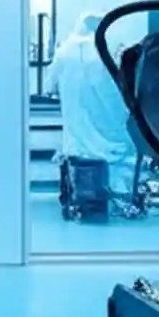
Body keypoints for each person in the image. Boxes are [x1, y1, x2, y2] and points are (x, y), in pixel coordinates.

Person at [48, 11, 135, 197]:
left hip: (76, 122)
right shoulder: (108, 49)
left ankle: (83, 194)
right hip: (107, 118)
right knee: (119, 153)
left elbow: (50, 85)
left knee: (79, 155)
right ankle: (118, 194)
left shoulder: (64, 51)